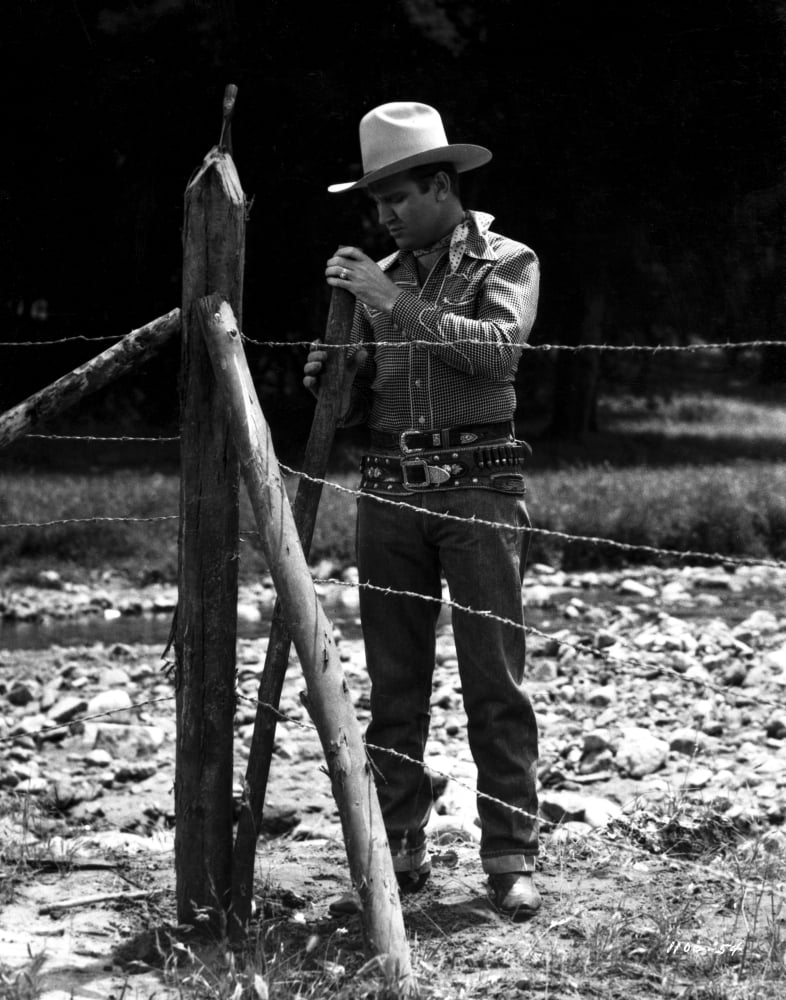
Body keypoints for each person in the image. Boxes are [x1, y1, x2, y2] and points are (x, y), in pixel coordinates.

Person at [303, 101, 541, 918]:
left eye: (397, 198)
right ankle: (400, 845)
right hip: (390, 491)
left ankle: (510, 855)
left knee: (492, 675)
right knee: (395, 680)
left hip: (479, 486)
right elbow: (370, 382)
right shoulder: (380, 276)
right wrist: (334, 374)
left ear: (441, 186)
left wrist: (387, 300)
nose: (384, 216)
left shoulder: (507, 259)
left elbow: (495, 349)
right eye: (375, 203)